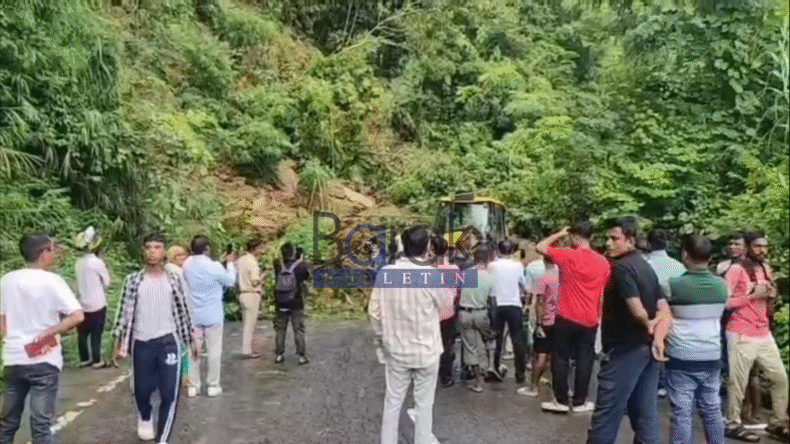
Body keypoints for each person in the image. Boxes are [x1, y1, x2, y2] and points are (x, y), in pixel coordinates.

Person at [587, 218, 670, 444]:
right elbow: (664, 308)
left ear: (630, 240)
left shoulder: (620, 268)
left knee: (607, 414)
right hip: (645, 346)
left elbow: (637, 308)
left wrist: (648, 323)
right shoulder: (645, 265)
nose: (608, 243)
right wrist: (658, 337)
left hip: (624, 347)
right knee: (645, 413)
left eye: (614, 239)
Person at [368, 227, 451, 444]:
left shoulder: (385, 273)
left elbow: (374, 313)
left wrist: (382, 340)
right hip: (427, 351)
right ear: (427, 248)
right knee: (424, 403)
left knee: (393, 401)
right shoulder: (430, 275)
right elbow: (446, 305)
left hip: (396, 350)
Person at [0, 233, 85, 444]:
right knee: (41, 425)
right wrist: (52, 331)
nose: (54, 254)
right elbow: (77, 315)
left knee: (7, 423)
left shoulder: (7, 280)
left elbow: (2, 321)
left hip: (14, 358)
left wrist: (14, 338)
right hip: (44, 359)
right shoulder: (52, 280)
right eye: (52, 249)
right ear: (44, 253)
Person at [112, 232, 196, 444]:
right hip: (141, 342)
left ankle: (163, 439)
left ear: (164, 251)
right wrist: (117, 341)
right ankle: (145, 415)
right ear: (143, 251)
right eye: (148, 247)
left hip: (169, 341)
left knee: (170, 393)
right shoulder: (133, 281)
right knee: (142, 389)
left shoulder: (174, 280)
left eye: (157, 247)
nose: (152, 252)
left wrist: (192, 338)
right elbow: (123, 313)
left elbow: (183, 310)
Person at [659, 235, 727, 444]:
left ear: (685, 255)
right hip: (712, 355)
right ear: (710, 257)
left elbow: (662, 315)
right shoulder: (722, 286)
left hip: (681, 355)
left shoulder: (672, 285)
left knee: (682, 412)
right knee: (712, 408)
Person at [536, 222, 610, 413]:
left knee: (560, 359)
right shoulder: (603, 262)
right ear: (591, 237)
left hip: (566, 316)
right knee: (585, 360)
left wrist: (560, 233)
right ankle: (580, 402)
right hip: (590, 319)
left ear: (574, 236)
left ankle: (560, 401)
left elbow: (541, 247)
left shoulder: (568, 255)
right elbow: (601, 294)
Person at [724, 232, 789, 442]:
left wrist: (772, 294)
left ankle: (778, 423)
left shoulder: (765, 267)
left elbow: (771, 297)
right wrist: (753, 296)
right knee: (738, 383)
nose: (763, 250)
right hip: (741, 331)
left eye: (765, 247)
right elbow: (724, 302)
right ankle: (732, 423)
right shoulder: (736, 269)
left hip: (763, 332)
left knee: (780, 378)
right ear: (748, 247)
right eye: (758, 246)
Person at [182, 235, 236, 398]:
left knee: (194, 351)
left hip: (193, 314)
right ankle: (213, 385)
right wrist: (230, 264)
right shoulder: (214, 267)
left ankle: (193, 386)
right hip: (213, 314)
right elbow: (230, 282)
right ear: (207, 249)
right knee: (214, 350)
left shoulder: (187, 265)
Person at [645, 229, 686, 398]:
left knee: (653, 343)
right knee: (670, 344)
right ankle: (671, 382)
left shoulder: (645, 265)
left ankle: (654, 382)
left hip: (651, 309)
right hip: (674, 307)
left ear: (648, 244)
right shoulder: (678, 266)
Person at [489, 239, 528, 387]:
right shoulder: (518, 266)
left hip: (497, 304)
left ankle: (496, 367)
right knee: (517, 339)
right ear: (512, 251)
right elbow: (524, 285)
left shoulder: (492, 266)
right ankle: (520, 373)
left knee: (497, 338)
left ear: (498, 251)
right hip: (514, 305)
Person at [519, 254, 558, 397]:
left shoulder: (543, 278)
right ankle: (556, 387)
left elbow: (540, 303)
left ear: (544, 260)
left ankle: (534, 387)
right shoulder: (565, 277)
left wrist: (539, 324)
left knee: (541, 355)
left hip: (547, 320)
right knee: (557, 356)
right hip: (561, 321)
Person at [458, 247, 495, 393]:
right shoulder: (490, 277)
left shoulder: (466, 274)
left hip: (465, 314)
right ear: (487, 261)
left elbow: (458, 292)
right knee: (486, 341)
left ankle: (478, 382)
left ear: (474, 259)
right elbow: (492, 301)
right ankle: (488, 366)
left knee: (470, 347)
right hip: (481, 313)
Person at [74, 226, 111, 369]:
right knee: (96, 332)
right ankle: (97, 360)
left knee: (82, 333)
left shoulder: (78, 263)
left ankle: (84, 359)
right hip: (98, 302)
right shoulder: (97, 262)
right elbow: (106, 281)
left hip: (82, 302)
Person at [273, 242, 311, 364]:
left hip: (280, 302)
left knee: (280, 329)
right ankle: (301, 356)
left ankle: (279, 355)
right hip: (296, 301)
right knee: (298, 328)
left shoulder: (278, 264)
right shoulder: (302, 265)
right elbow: (307, 277)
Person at [435, 237, 460, 387]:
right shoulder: (454, 269)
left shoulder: (429, 271)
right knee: (446, 345)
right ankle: (446, 376)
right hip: (448, 313)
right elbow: (457, 292)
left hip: (430, 313)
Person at [236, 238, 266, 359]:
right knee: (250, 324)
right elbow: (255, 281)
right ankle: (247, 350)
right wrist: (263, 277)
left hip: (242, 293)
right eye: (261, 247)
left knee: (246, 323)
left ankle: (246, 348)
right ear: (256, 248)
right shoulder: (252, 262)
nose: (263, 250)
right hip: (251, 293)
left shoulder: (240, 260)